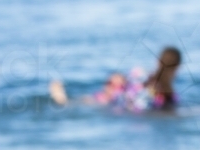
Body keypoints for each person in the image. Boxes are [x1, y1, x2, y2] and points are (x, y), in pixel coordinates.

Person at [50, 47, 182, 111]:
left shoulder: (140, 72)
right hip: (136, 107)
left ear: (158, 61)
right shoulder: (168, 95)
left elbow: (119, 78)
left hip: (120, 96)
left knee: (95, 100)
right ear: (178, 68)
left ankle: (64, 100)